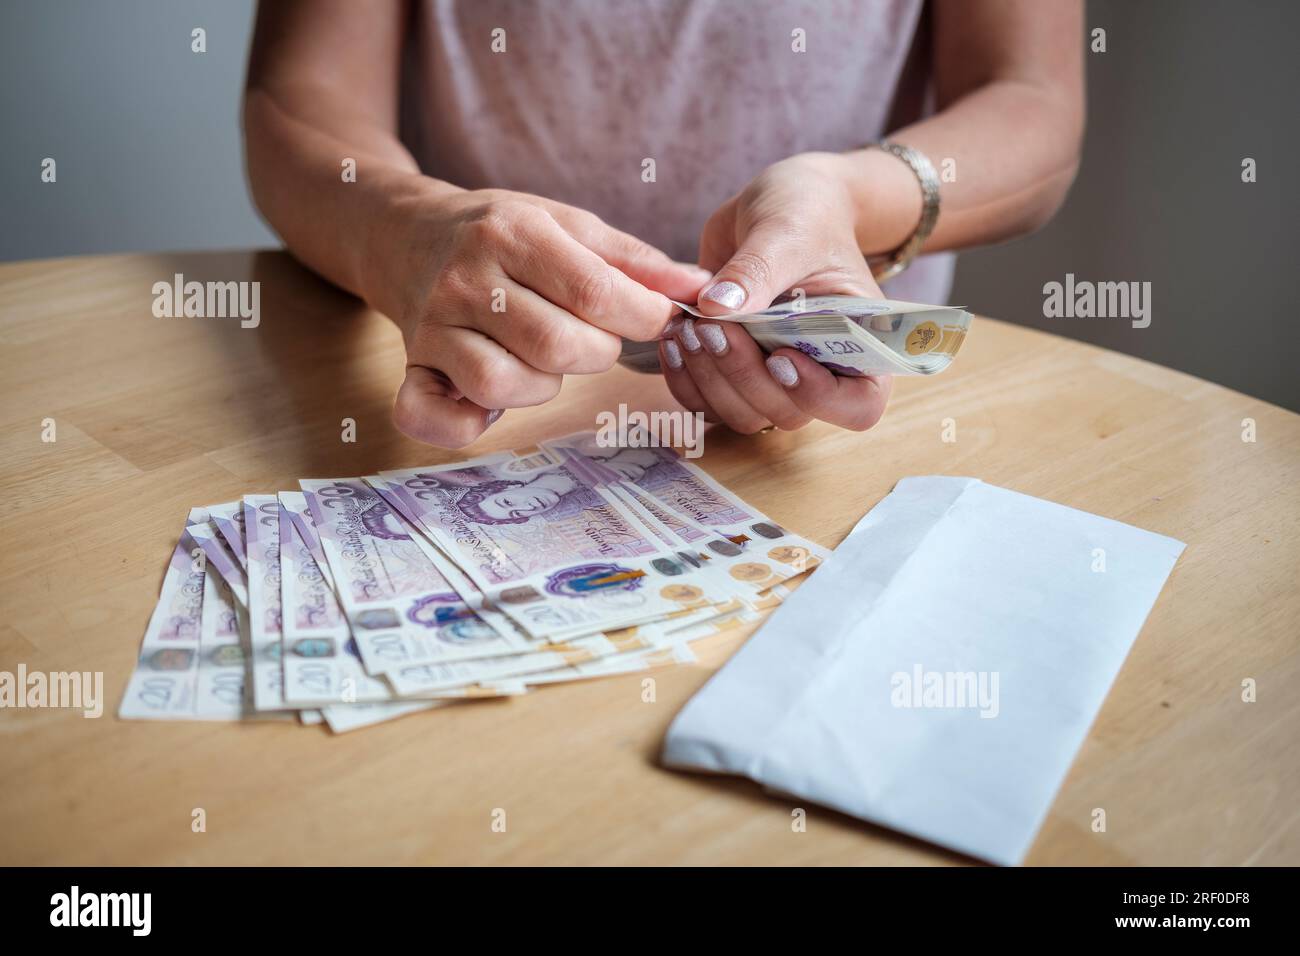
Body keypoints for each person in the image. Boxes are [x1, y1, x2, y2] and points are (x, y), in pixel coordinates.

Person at [244, 0, 1083, 447]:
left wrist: (851, 195)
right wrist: (408, 231)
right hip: (472, 391)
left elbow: (1035, 103)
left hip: (852, 441)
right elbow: (299, 95)